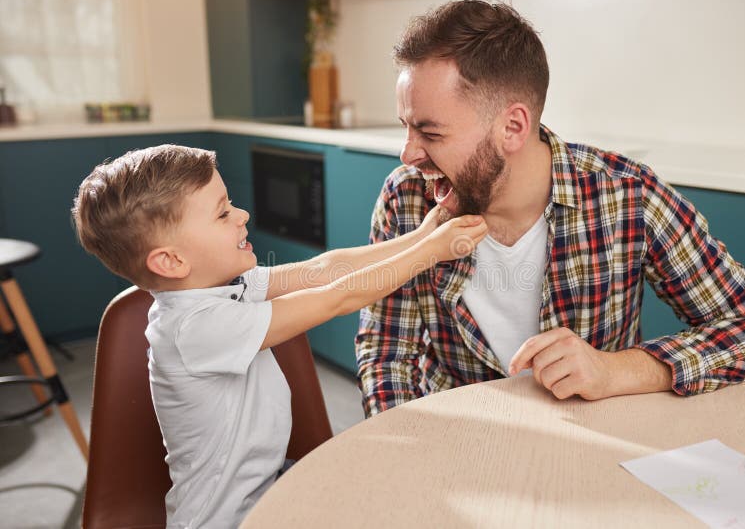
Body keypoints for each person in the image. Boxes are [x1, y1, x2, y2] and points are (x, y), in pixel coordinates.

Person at [355, 0, 745, 417]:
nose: (407, 153)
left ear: (513, 127)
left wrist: (616, 370)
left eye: (430, 132)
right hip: (456, 442)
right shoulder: (406, 198)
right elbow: (388, 357)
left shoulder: (627, 196)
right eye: (406, 127)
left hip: (594, 445)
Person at [71, 144, 487, 528]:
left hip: (270, 484)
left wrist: (420, 236)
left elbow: (324, 270)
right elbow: (335, 298)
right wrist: (433, 251)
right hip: (227, 519)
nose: (242, 215)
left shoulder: (222, 285)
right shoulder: (193, 328)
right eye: (222, 213)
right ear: (172, 260)